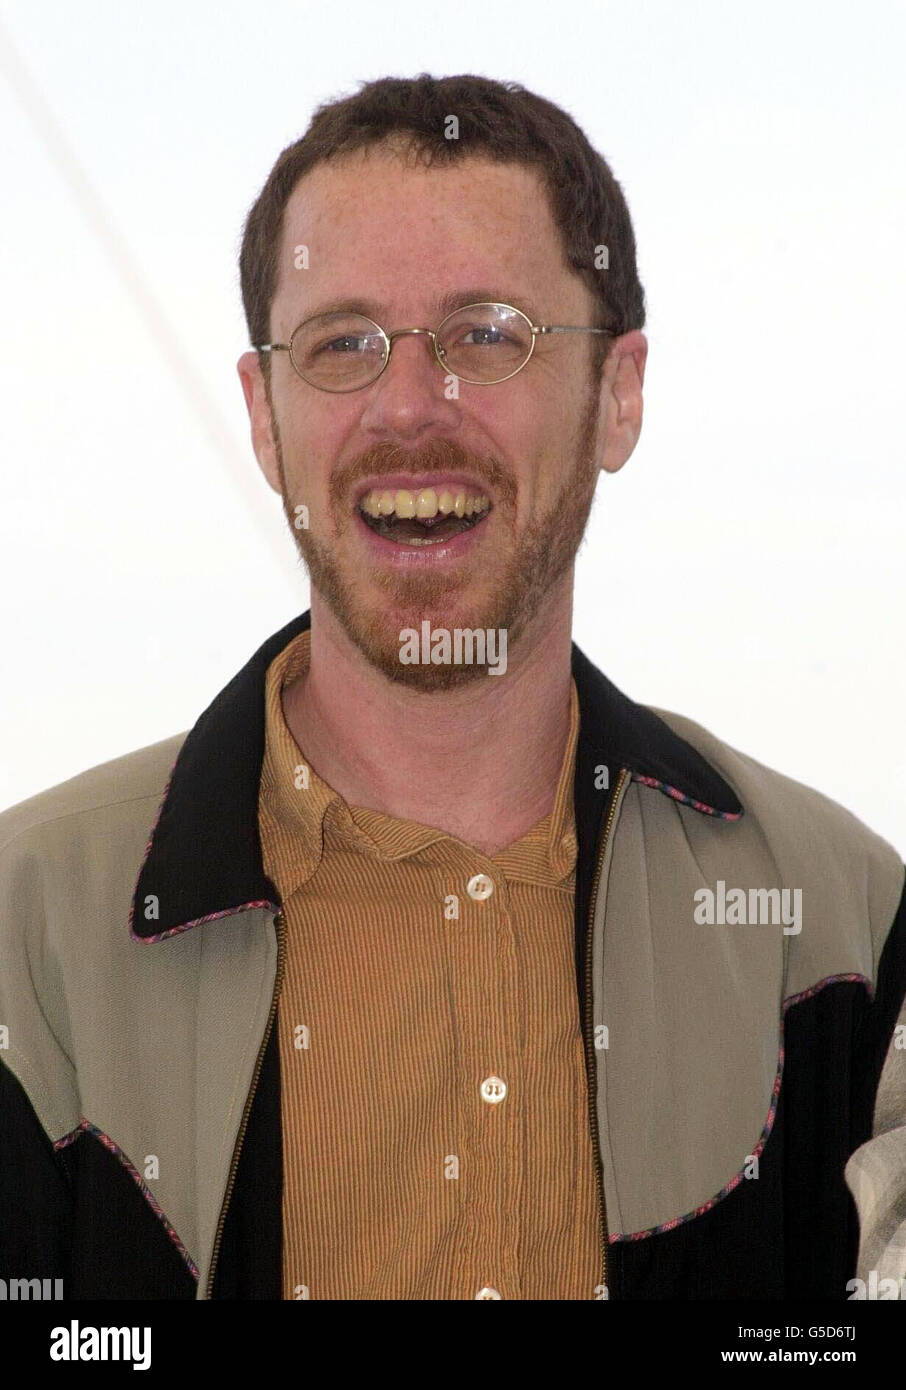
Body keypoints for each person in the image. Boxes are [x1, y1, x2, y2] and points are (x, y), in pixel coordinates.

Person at [1, 73, 904, 1302]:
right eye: (343, 345)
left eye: (489, 332)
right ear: (265, 419)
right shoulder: (27, 938)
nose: (412, 406)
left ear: (618, 394)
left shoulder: (844, 930)